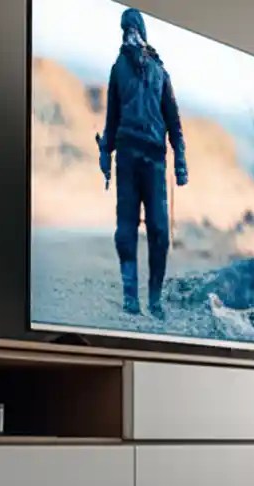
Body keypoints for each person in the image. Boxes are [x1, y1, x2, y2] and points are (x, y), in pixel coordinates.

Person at [97, 7, 188, 320]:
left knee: (160, 231)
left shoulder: (161, 72)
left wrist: (181, 161)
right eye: (126, 28)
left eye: (134, 27)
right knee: (125, 230)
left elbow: (174, 121)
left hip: (155, 159)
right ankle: (130, 296)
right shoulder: (118, 68)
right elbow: (111, 117)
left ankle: (155, 299)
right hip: (126, 155)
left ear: (143, 30)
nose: (130, 32)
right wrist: (104, 153)